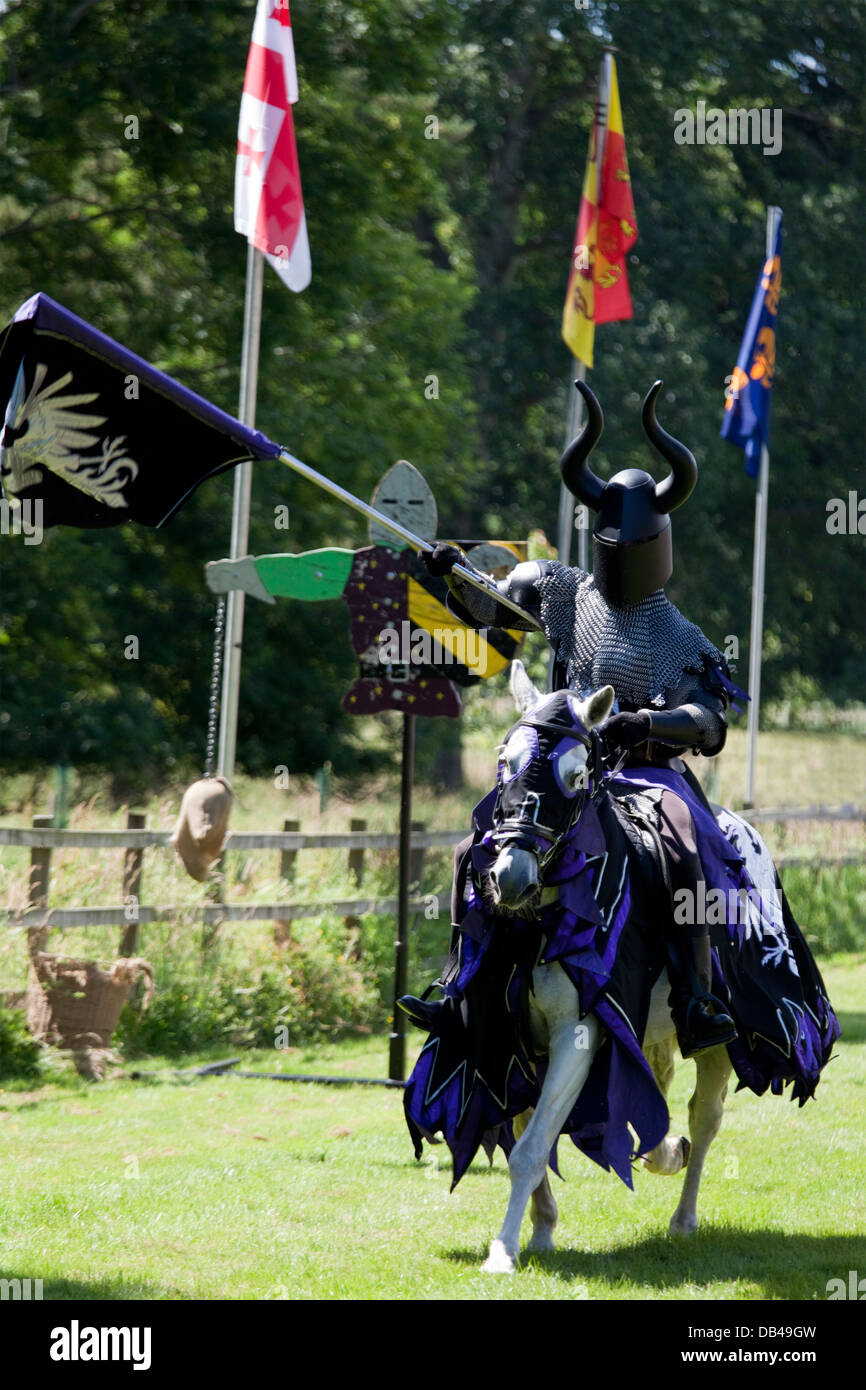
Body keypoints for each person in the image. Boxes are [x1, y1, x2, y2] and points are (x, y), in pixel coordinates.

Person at [400, 379, 739, 1057]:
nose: (619, 549)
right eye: (610, 537)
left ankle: (696, 998)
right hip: (561, 760)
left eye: (631, 539)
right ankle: (459, 988)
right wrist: (449, 574)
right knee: (480, 840)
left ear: (656, 542)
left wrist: (644, 726)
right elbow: (490, 612)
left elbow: (711, 722)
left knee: (682, 843)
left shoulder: (679, 633)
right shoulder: (557, 590)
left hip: (646, 775)